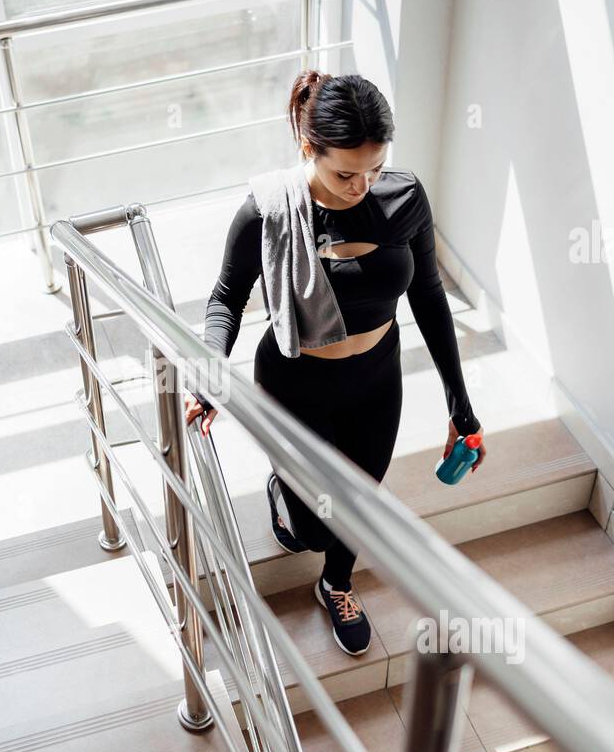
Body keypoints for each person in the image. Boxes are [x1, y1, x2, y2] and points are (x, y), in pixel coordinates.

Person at [185, 70, 487, 657]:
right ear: (308, 148)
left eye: (374, 169)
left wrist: (460, 402)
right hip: (297, 381)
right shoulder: (268, 212)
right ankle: (285, 498)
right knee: (310, 526)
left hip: (376, 377)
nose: (361, 186)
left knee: (360, 506)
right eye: (346, 172)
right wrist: (211, 370)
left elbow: (427, 294)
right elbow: (226, 297)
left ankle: (337, 583)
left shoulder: (404, 198)